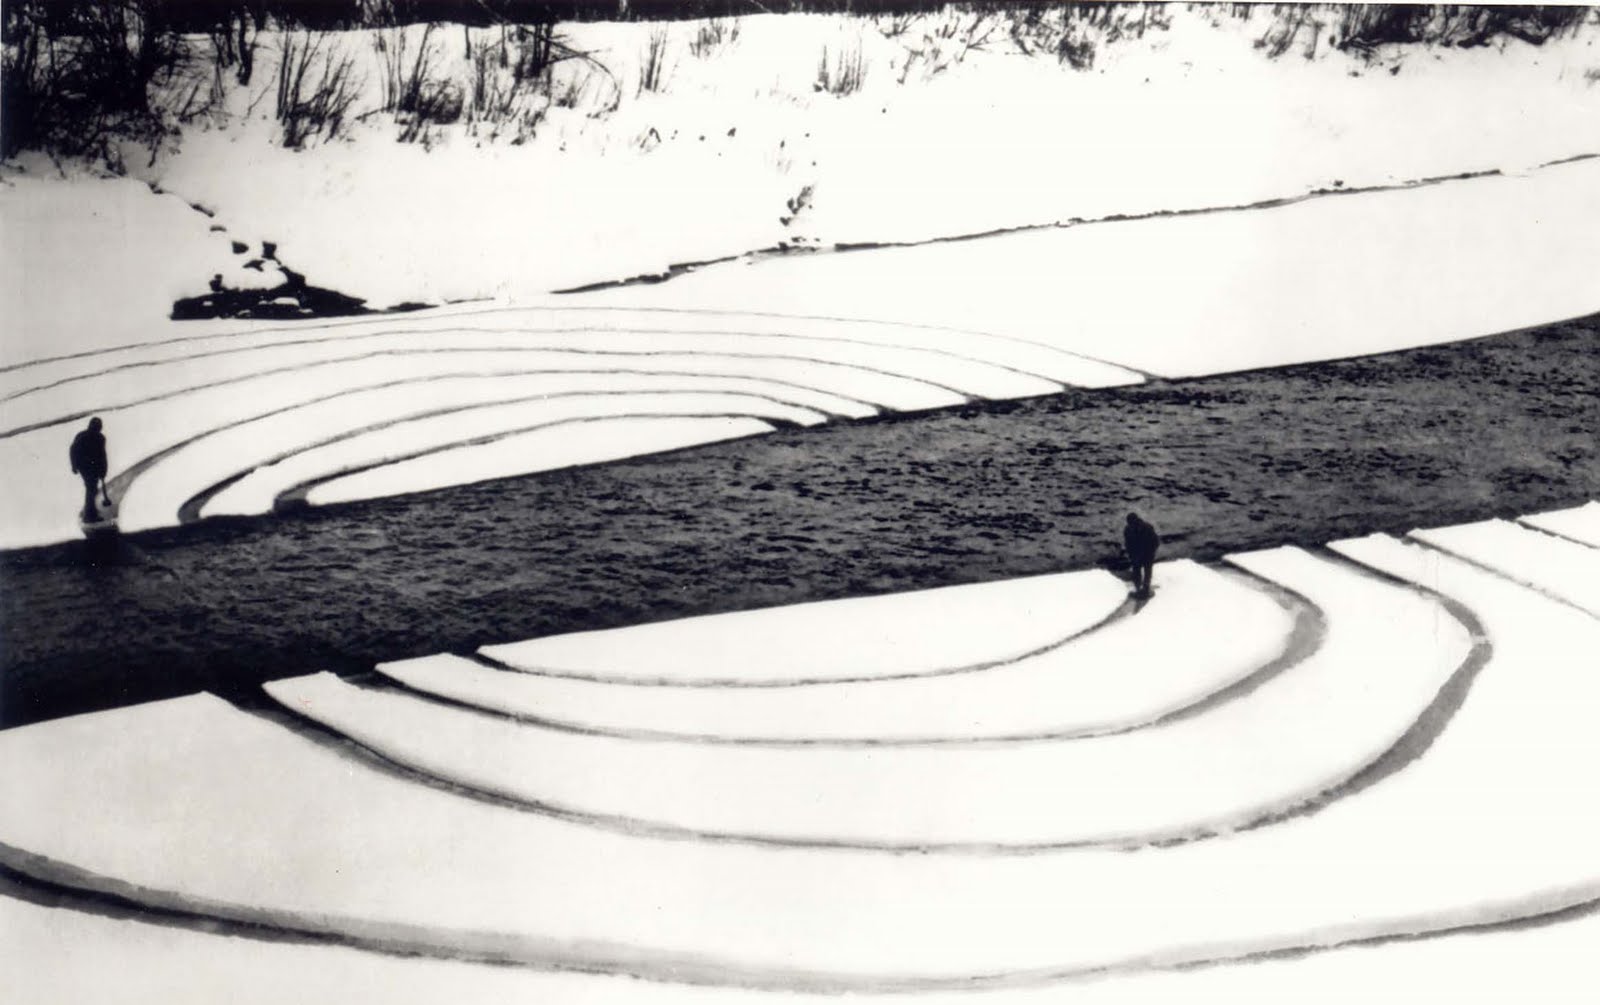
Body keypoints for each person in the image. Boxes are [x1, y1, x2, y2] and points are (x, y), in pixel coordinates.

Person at [69, 417, 110, 521]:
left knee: (91, 488)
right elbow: (73, 451)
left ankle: (91, 510)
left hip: (91, 467)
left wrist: (103, 471)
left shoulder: (97, 437)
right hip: (85, 466)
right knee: (91, 488)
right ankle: (90, 515)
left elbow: (102, 455)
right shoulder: (85, 436)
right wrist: (74, 465)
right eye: (98, 426)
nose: (99, 428)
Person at [1123, 511, 1160, 598]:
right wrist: (1131, 554)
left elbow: (1155, 541)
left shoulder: (1147, 527)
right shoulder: (1127, 529)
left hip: (1147, 554)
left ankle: (1145, 590)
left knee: (1147, 571)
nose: (1131, 524)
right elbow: (1128, 544)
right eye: (1129, 523)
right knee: (1137, 571)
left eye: (1132, 522)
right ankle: (1139, 589)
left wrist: (1150, 552)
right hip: (1136, 555)